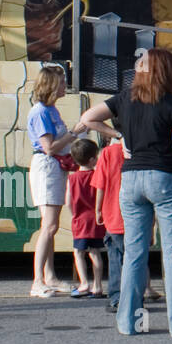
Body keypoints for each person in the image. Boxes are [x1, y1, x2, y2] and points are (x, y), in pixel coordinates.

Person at [75, 49, 172, 337]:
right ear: (167, 73)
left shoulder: (124, 99)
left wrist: (119, 136)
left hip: (130, 179)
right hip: (165, 178)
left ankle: (129, 323)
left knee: (134, 252)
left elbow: (88, 117)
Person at [27, 64, 77, 298]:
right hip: (46, 167)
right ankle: (38, 280)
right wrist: (74, 133)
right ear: (51, 85)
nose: (65, 85)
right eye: (62, 82)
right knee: (49, 225)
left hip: (54, 168)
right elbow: (48, 148)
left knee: (50, 225)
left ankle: (50, 276)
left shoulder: (51, 110)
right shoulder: (40, 112)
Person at [66, 139, 106, 298]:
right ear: (91, 160)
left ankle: (84, 283)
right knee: (95, 253)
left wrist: (74, 215)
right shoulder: (97, 175)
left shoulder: (72, 178)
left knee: (79, 252)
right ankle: (97, 286)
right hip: (96, 220)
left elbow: (68, 201)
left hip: (80, 221)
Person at [91, 134, 126, 312]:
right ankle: (136, 296)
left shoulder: (108, 153)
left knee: (116, 258)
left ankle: (117, 298)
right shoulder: (137, 149)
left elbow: (100, 185)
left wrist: (98, 210)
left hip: (113, 213)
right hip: (135, 215)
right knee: (134, 257)